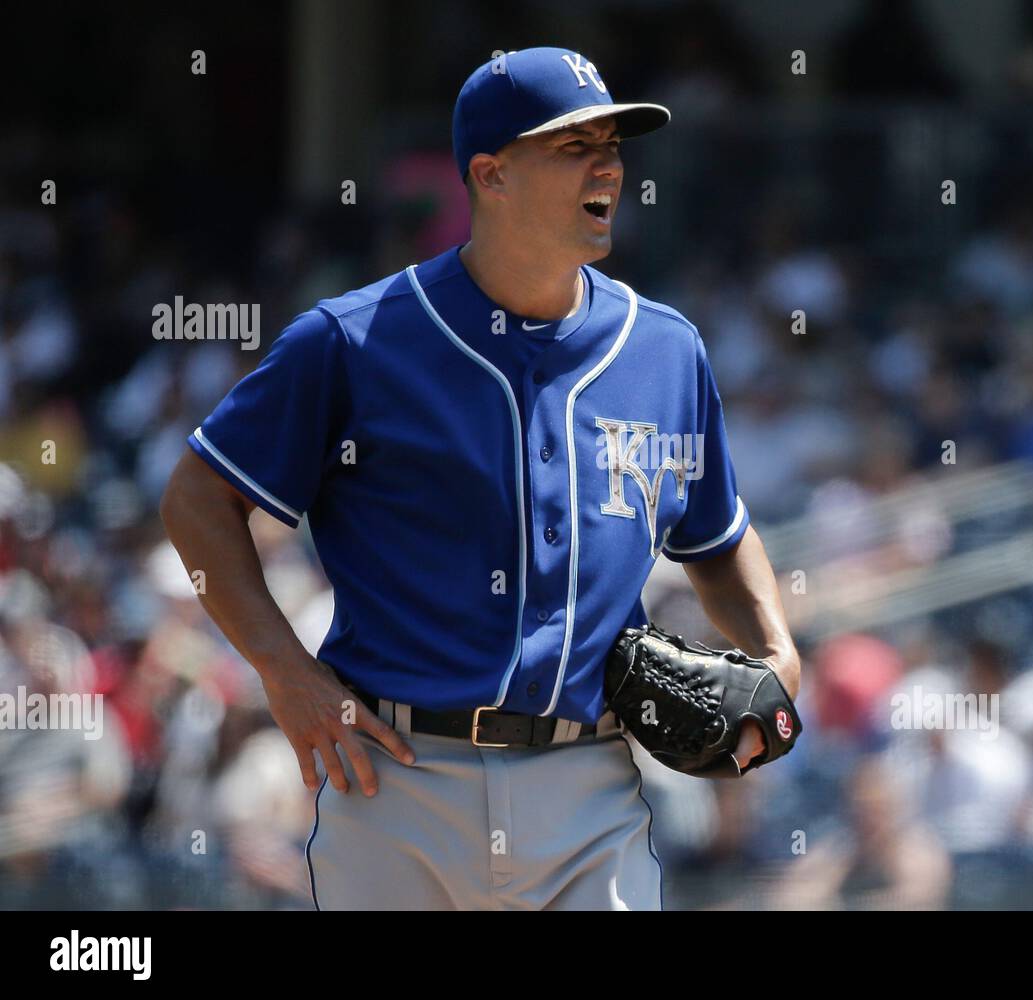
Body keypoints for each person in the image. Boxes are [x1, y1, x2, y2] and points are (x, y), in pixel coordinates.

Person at [160, 47, 800, 911]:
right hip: (396, 783)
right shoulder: (354, 341)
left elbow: (717, 536)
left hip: (590, 789)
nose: (608, 162)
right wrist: (282, 667)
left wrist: (775, 653)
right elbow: (199, 497)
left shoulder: (664, 349)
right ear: (491, 175)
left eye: (612, 141)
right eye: (573, 145)